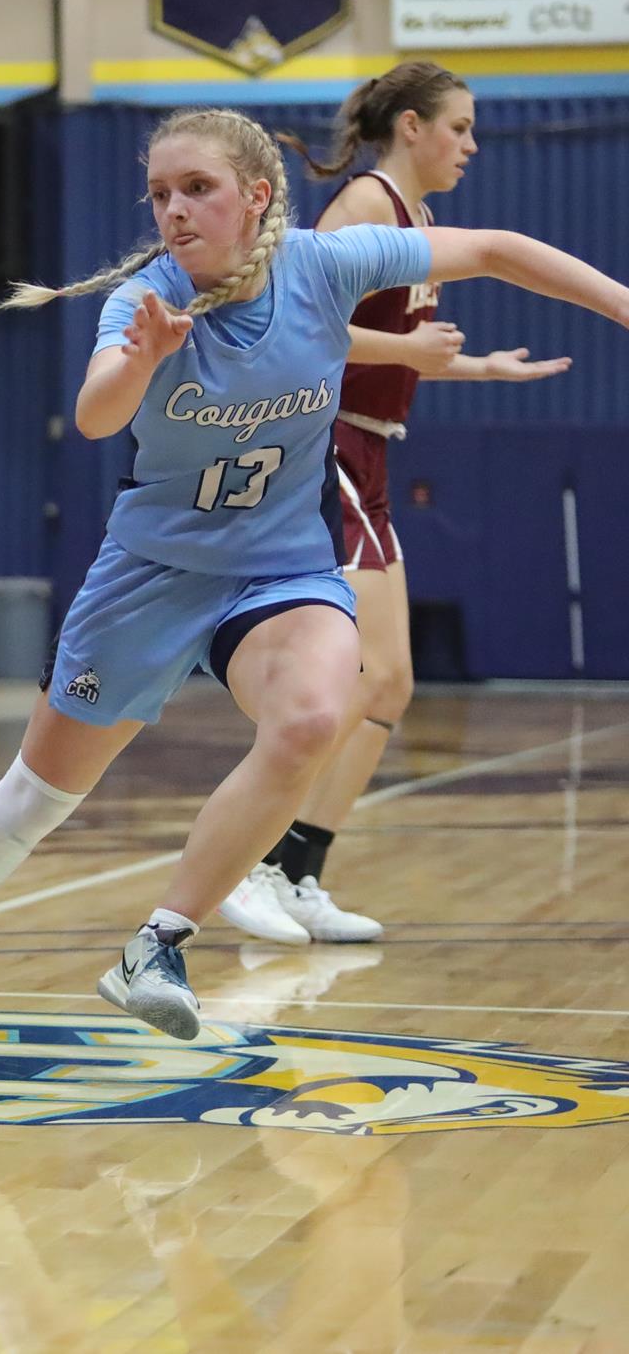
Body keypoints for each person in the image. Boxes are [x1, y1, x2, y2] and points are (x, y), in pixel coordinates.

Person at [0, 107, 629, 1045]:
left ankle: (159, 943)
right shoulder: (145, 299)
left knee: (311, 718)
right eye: (159, 193)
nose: (174, 210)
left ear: (257, 196)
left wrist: (622, 303)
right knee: (37, 797)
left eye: (198, 188)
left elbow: (497, 249)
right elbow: (97, 416)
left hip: (280, 566)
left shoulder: (326, 265)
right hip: (153, 572)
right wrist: (141, 360)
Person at [210, 63, 575, 947]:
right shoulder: (366, 207)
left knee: (390, 683)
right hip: (321, 442)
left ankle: (297, 870)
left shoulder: (420, 220)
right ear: (411, 126)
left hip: (370, 448)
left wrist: (477, 367)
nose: (471, 144)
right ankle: (249, 862)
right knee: (358, 672)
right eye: (460, 127)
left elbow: (397, 347)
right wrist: (411, 353)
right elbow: (294, 320)